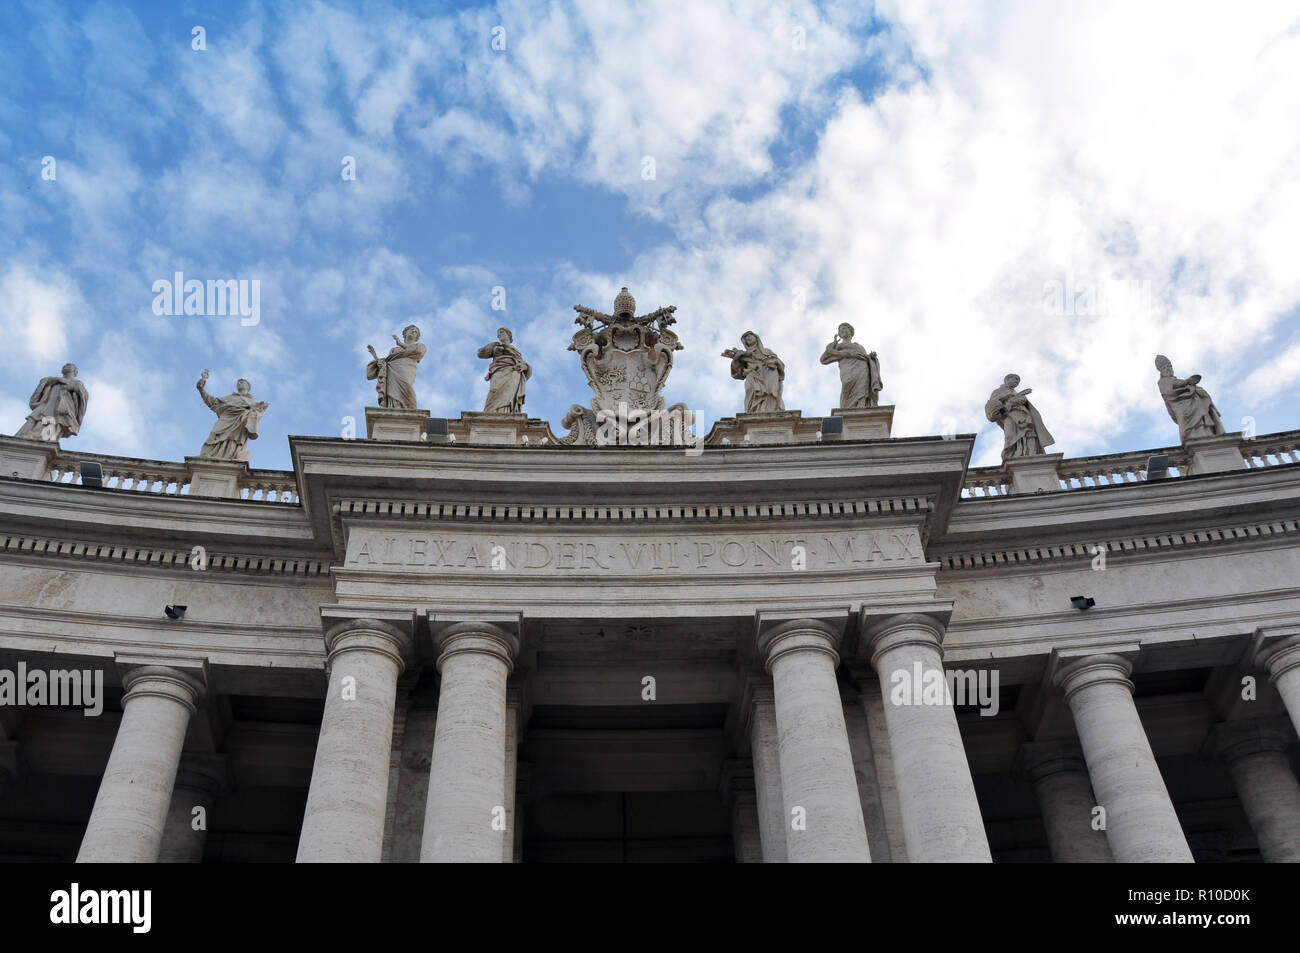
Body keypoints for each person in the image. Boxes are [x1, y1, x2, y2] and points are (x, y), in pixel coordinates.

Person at [196, 370, 268, 461]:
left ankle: (231, 457)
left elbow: (255, 414)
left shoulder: (252, 402)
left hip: (239, 424)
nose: (239, 383)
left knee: (233, 442)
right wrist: (201, 389)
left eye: (242, 382)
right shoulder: (230, 397)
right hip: (225, 419)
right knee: (214, 436)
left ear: (247, 386)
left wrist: (257, 410)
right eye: (238, 382)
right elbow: (212, 402)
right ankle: (208, 456)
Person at [984, 373, 1054, 460]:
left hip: (1022, 414)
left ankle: (1029, 452)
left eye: (1018, 381)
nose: (1017, 382)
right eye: (1015, 379)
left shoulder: (1015, 393)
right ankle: (1012, 454)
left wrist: (1017, 400)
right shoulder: (998, 391)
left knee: (1028, 433)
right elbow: (993, 404)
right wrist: (1008, 402)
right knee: (1010, 435)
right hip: (1008, 416)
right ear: (1007, 380)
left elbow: (1023, 401)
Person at [1155, 354, 1224, 441]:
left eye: (1170, 366)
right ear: (1161, 371)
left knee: (1200, 401)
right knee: (1183, 414)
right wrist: (1188, 381)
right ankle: (1194, 435)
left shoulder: (1178, 380)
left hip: (1194, 403)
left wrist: (1193, 387)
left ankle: (1206, 432)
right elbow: (1170, 391)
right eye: (1165, 368)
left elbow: (1181, 384)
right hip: (1180, 406)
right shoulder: (1163, 382)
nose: (1168, 369)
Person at [15, 363, 89, 441]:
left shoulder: (77, 383)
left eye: (68, 366)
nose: (65, 367)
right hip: (46, 404)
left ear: (75, 371)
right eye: (64, 366)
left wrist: (72, 387)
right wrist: (51, 381)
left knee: (52, 424)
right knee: (33, 419)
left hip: (61, 408)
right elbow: (43, 385)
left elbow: (83, 395)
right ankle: (22, 436)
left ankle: (43, 439)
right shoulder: (53, 381)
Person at [820, 323, 882, 408]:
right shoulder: (838, 346)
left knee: (862, 388)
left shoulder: (858, 346)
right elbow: (823, 359)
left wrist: (871, 357)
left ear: (850, 332)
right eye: (841, 330)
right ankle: (846, 409)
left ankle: (861, 406)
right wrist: (842, 350)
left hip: (862, 368)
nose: (843, 331)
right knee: (846, 385)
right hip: (847, 370)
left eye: (845, 328)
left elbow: (865, 357)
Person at [723, 331, 786, 413]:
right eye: (745, 338)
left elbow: (780, 364)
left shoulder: (767, 351)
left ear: (756, 338)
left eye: (749, 336)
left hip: (769, 371)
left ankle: (771, 410)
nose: (747, 338)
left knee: (771, 391)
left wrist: (774, 362)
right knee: (751, 390)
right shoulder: (743, 354)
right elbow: (737, 373)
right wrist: (736, 359)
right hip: (753, 375)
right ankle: (753, 410)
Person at [366, 325, 426, 409]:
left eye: (416, 331)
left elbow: (418, 351)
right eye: (411, 329)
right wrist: (381, 365)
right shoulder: (394, 350)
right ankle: (394, 408)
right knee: (393, 393)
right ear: (405, 333)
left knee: (407, 389)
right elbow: (387, 362)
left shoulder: (420, 346)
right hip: (393, 371)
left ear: (417, 337)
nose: (413, 331)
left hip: (407, 370)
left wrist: (400, 343)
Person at [477, 327, 531, 413]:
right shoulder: (496, 346)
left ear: (508, 335)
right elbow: (481, 355)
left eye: (501, 332)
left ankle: (507, 412)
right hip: (498, 370)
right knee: (494, 390)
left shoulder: (516, 351)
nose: (499, 335)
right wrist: (491, 345)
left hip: (513, 372)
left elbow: (522, 362)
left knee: (509, 394)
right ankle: (491, 411)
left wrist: (525, 366)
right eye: (498, 334)